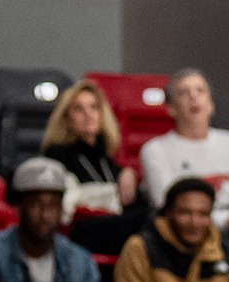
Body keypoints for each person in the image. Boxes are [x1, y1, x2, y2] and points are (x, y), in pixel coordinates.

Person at [138, 68, 229, 237]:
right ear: (171, 108)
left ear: (211, 105)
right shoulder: (155, 150)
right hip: (186, 236)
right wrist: (226, 221)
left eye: (200, 91)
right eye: (183, 92)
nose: (193, 97)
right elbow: (167, 206)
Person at [40, 77, 150, 257]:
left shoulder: (107, 159)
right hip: (80, 233)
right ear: (66, 117)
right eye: (78, 109)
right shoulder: (57, 154)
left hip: (113, 230)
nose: (88, 114)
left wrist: (130, 174)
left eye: (94, 107)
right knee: (150, 219)